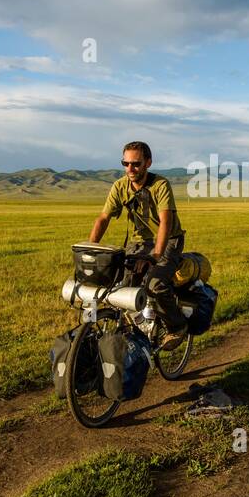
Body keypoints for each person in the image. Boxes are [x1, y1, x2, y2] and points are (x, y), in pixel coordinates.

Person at [88, 141, 189, 350]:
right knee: (119, 286)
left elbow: (166, 222)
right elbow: (103, 218)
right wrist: (91, 249)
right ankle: (139, 326)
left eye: (135, 164)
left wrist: (155, 256)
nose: (130, 169)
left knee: (154, 284)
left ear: (148, 163)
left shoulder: (160, 185)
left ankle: (177, 326)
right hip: (139, 241)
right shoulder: (120, 186)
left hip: (168, 239)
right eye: (125, 163)